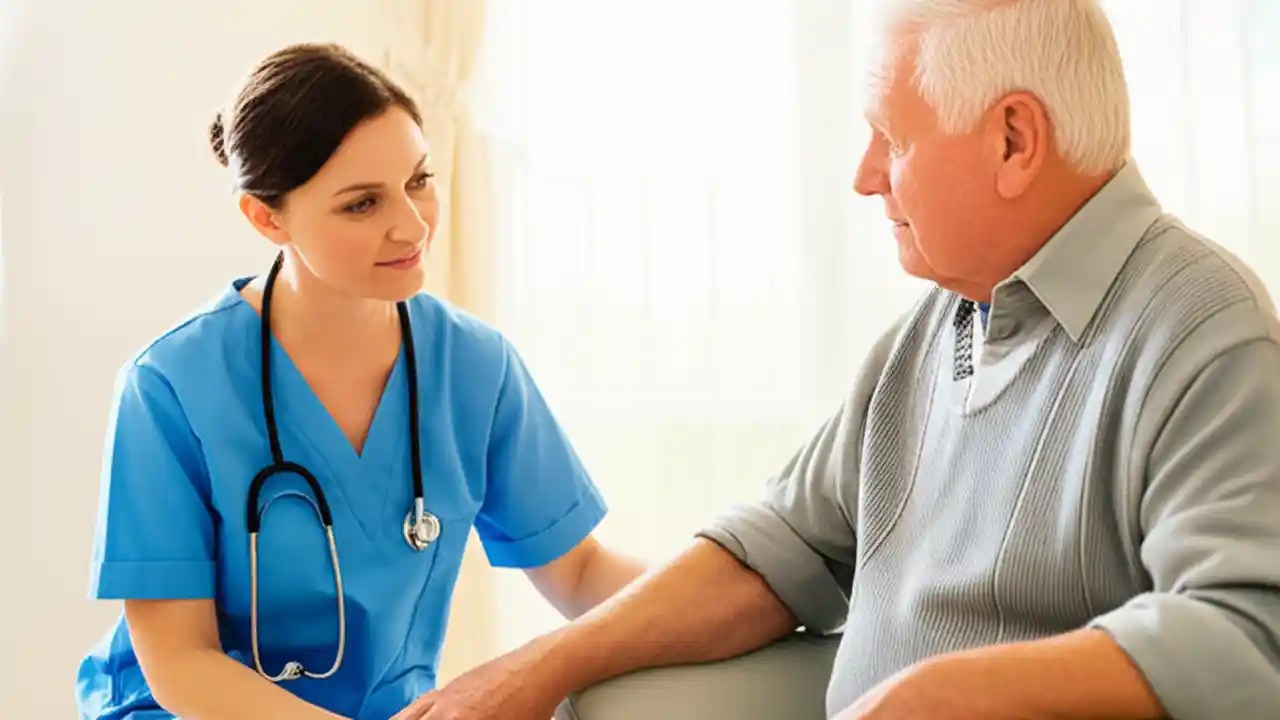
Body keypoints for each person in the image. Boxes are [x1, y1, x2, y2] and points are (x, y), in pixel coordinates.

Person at [392, 1, 1280, 718]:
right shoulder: (933, 331)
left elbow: (1248, 633)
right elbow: (774, 552)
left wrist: (946, 696)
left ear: (1014, 140)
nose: (864, 175)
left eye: (892, 139)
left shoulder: (1203, 328)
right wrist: (534, 670)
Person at [75, 43, 644, 720]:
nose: (411, 223)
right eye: (362, 204)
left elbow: (578, 571)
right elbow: (180, 662)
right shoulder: (171, 386)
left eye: (419, 179)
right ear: (266, 217)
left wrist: (750, 598)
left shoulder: (472, 366)